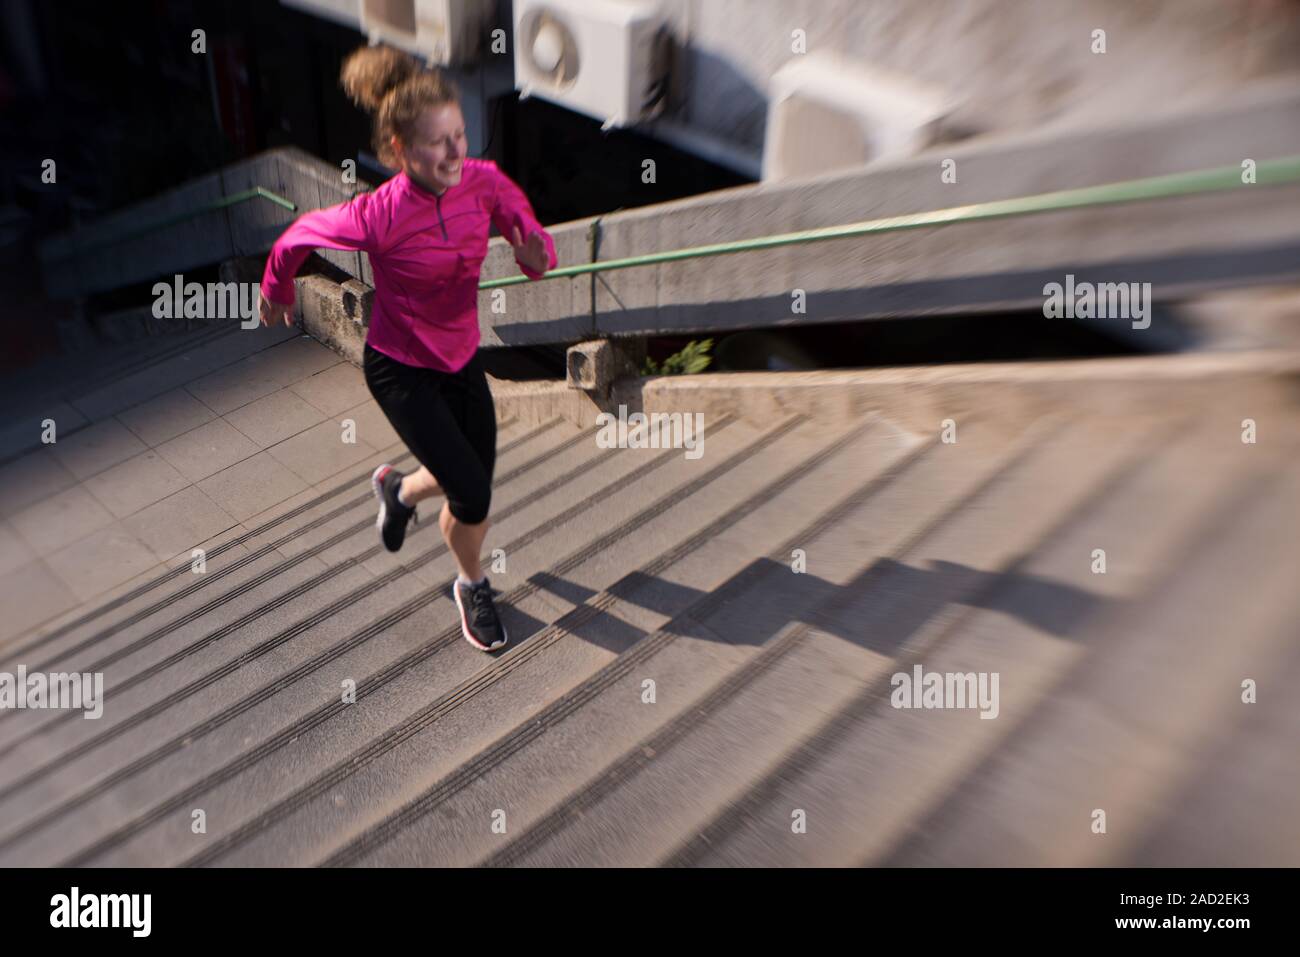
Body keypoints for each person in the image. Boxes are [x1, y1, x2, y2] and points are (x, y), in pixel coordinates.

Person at [258, 45, 557, 652]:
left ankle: (397, 491)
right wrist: (276, 288)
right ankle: (473, 584)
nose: (456, 153)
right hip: (399, 369)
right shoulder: (377, 215)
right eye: (438, 143)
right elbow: (296, 235)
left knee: (465, 482)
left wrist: (535, 255)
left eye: (461, 135)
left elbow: (535, 241)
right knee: (473, 495)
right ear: (399, 149)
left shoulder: (485, 183)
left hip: (461, 360)